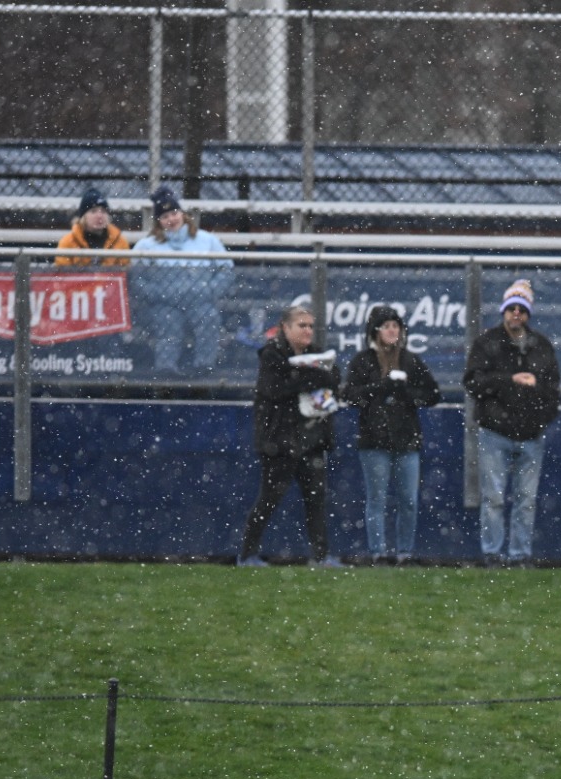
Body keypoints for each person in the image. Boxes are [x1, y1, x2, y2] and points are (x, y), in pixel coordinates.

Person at [462, 280, 560, 567]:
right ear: (503, 311)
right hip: (495, 432)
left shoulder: (541, 346)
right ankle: (492, 554)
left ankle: (519, 555)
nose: (516, 313)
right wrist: (510, 381)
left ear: (528, 314)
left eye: (522, 309)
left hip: (531, 433)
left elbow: (552, 389)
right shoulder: (487, 343)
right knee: (493, 498)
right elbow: (473, 382)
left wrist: (540, 416)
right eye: (511, 308)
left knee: (526, 499)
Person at [239, 301, 339, 567]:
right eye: (302, 325)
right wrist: (310, 376)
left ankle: (320, 556)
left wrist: (306, 377)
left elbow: (334, 380)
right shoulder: (272, 355)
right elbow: (276, 389)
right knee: (269, 499)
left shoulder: (318, 353)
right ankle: (247, 554)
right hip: (280, 441)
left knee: (316, 500)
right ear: (285, 327)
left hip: (312, 438)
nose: (308, 331)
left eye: (311, 326)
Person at [340, 304, 440, 565]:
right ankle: (379, 552)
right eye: (387, 326)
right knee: (377, 499)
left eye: (396, 326)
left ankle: (405, 552)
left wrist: (407, 393)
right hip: (374, 441)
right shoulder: (363, 361)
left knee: (409, 500)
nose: (393, 331)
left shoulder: (410, 360)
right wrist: (380, 388)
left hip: (407, 440)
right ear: (375, 331)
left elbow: (433, 394)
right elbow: (350, 394)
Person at [129, 186, 233, 374]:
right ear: (158, 221)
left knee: (209, 317)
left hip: (200, 302)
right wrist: (159, 294)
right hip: (163, 305)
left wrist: (208, 291)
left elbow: (226, 270)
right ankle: (166, 370)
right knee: (168, 322)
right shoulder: (146, 245)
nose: (171, 219)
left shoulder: (207, 240)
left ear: (183, 214)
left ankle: (204, 367)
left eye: (174, 213)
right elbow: (136, 279)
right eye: (165, 216)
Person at [55, 189, 132, 267]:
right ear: (83, 216)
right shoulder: (68, 242)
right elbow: (62, 271)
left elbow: (126, 270)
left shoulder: (120, 241)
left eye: (103, 211)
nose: (99, 216)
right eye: (93, 211)